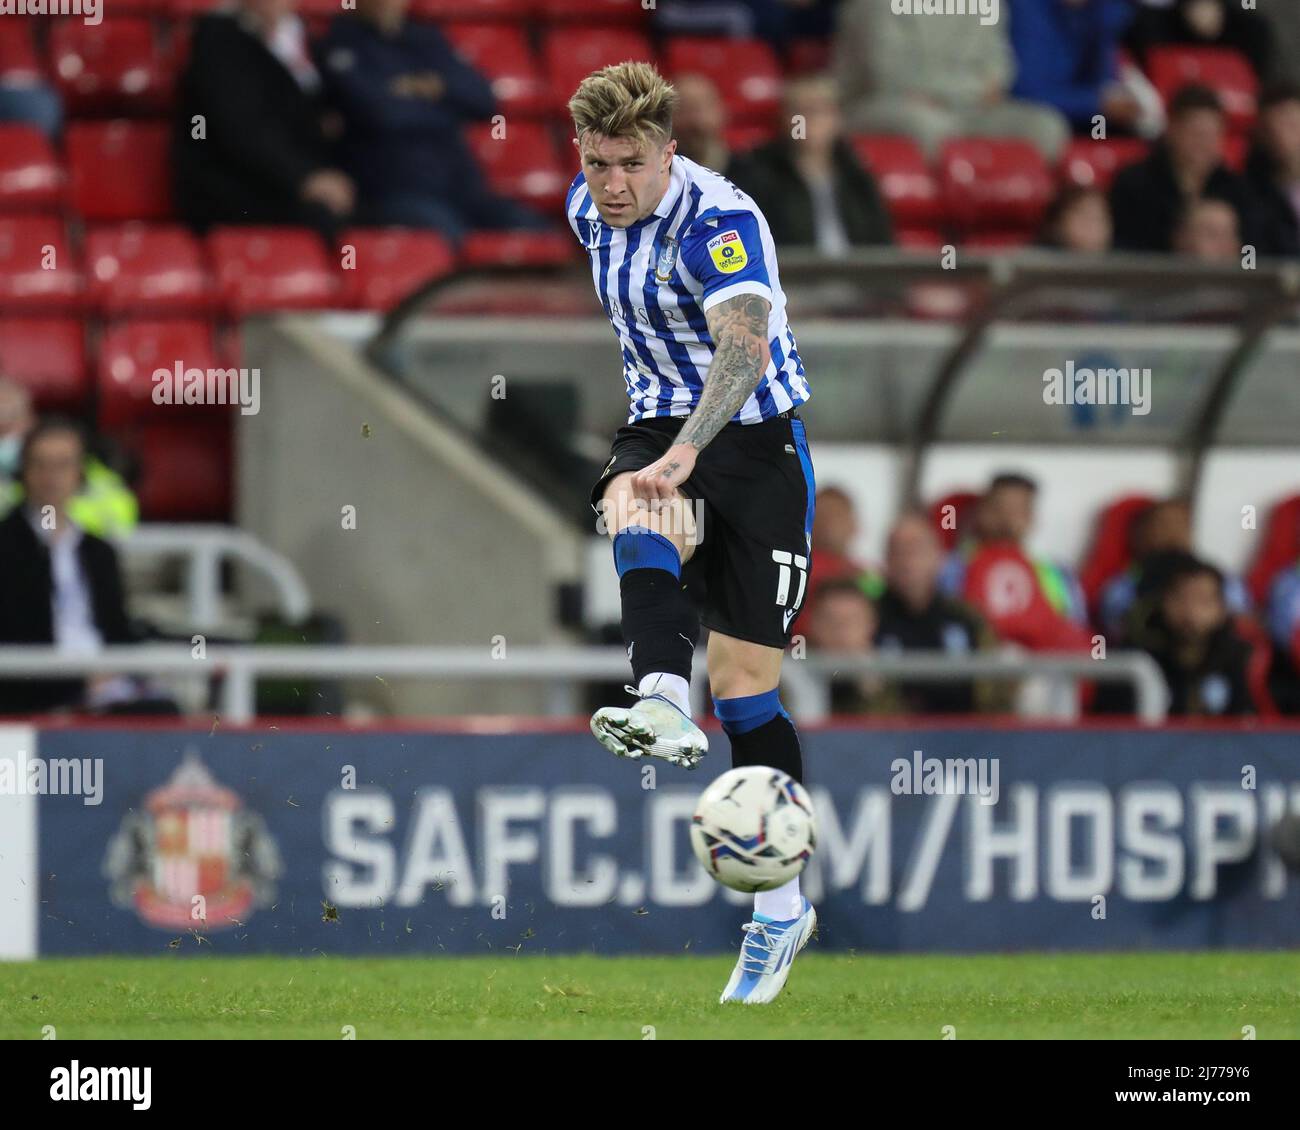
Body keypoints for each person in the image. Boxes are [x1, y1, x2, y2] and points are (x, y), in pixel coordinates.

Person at [568, 62, 815, 1004]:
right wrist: (663, 456)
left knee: (747, 693)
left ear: (671, 151)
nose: (615, 184)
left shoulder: (721, 221)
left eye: (632, 162)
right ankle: (661, 697)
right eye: (598, 164)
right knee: (635, 498)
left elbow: (745, 346)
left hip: (756, 443)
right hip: (655, 418)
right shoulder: (584, 209)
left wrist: (690, 449)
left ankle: (782, 912)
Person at [317, 0, 543, 239]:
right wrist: (444, 104)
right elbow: (381, 113)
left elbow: (484, 99)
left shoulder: (426, 38)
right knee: (449, 239)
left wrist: (433, 88)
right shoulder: (339, 44)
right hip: (394, 192)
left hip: (462, 189)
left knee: (537, 234)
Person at [0, 419, 167, 715]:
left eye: (62, 465)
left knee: (163, 709)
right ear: (24, 471)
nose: (51, 477)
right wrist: (78, 682)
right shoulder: (6, 545)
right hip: (35, 691)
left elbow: (117, 629)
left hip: (106, 686)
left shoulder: (98, 551)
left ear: (80, 473)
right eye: (41, 464)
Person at [172, 0, 355, 239]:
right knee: (331, 222)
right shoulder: (220, 40)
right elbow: (242, 130)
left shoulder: (294, 39)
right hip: (236, 189)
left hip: (281, 183)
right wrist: (304, 178)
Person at [834, 0, 1070, 161]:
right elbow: (890, 78)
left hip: (968, 110)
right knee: (930, 126)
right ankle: (948, 228)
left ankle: (1018, 227)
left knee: (1046, 127)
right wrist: (974, 89)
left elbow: (999, 70)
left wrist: (946, 95)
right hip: (874, 104)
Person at [726, 74, 892, 255]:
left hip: (858, 278)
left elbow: (884, 246)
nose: (807, 120)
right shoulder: (757, 173)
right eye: (799, 112)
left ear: (837, 119)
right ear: (783, 119)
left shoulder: (857, 175)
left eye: (818, 110)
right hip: (793, 278)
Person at [1109, 84, 1257, 252]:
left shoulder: (1238, 190)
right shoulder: (1135, 183)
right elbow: (1124, 248)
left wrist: (1244, 268)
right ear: (1172, 130)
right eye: (1195, 133)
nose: (1203, 144)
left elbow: (1252, 250)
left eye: (1211, 135)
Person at [874, 512, 992, 714]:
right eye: (898, 551)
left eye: (917, 550)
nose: (907, 560)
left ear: (939, 557)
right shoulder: (866, 617)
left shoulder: (967, 618)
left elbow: (994, 688)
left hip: (964, 738)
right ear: (886, 560)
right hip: (889, 738)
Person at [0, 379, 138, 537]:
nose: (3, 431)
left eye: (10, 420)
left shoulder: (91, 475)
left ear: (31, 420)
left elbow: (118, 521)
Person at [1244, 83, 1300, 258]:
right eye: (1272, 128)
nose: (1281, 136)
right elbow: (1249, 251)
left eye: (1290, 125)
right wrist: (1249, 274)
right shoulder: (1251, 194)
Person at [1038, 184, 1113, 252]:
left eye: (1098, 218)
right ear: (1058, 222)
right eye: (1085, 217)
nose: (1092, 226)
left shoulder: (1120, 262)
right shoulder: (1036, 259)